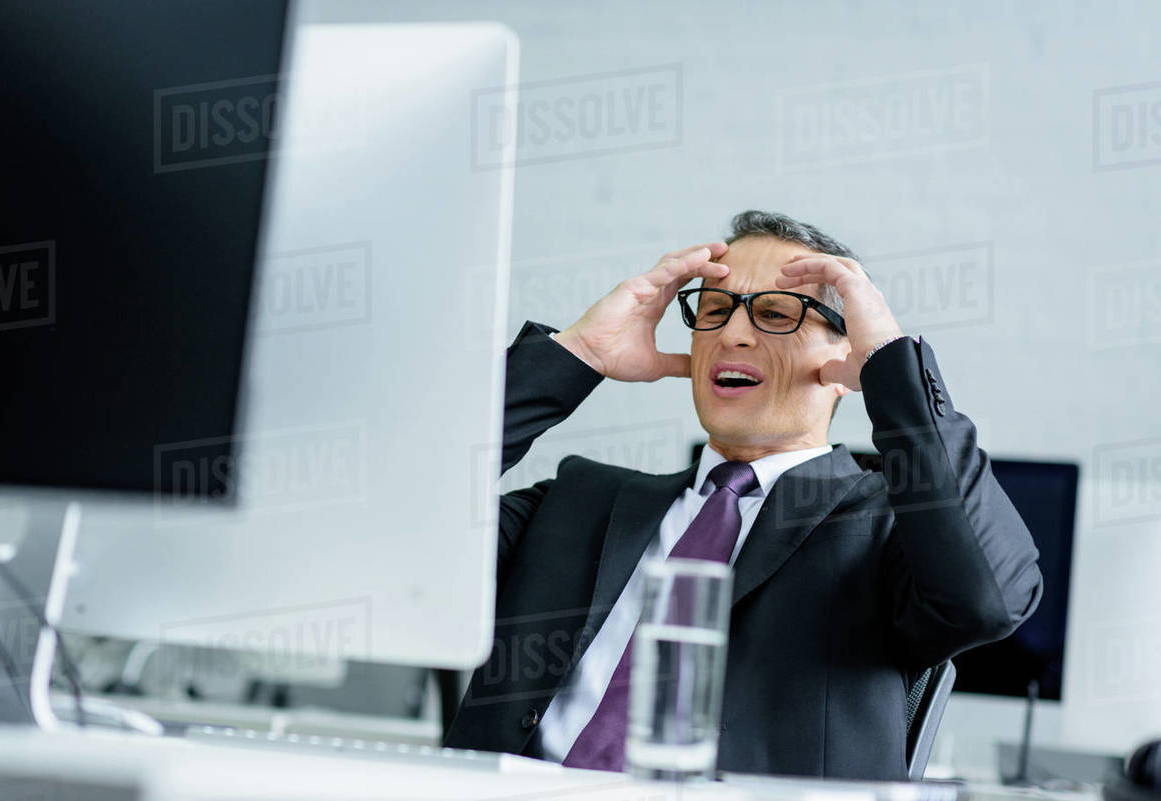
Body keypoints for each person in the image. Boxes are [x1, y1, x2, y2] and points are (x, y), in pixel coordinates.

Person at [443, 210, 1043, 780]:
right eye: (714, 309)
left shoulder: (888, 529)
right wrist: (577, 355)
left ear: (846, 355)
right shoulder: (574, 502)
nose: (732, 333)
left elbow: (989, 599)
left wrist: (892, 366)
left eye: (777, 313)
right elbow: (403, 525)